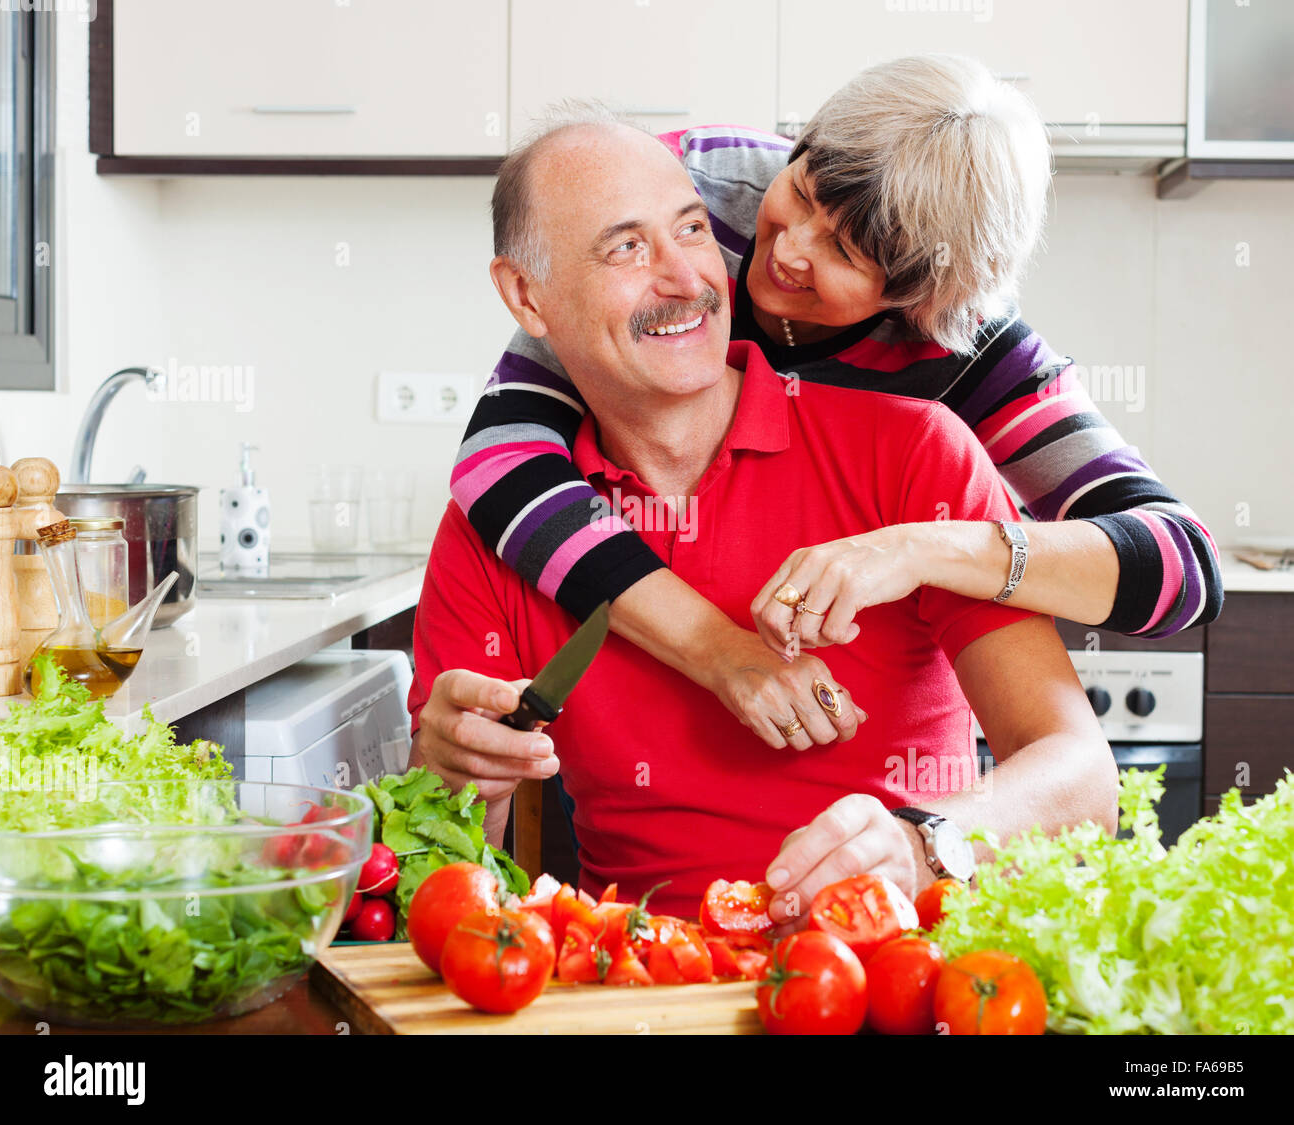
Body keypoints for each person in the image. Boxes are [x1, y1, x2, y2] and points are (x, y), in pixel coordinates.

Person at [408, 112, 1116, 922]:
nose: (687, 278)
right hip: (656, 987)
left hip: (899, 973)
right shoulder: (496, 530)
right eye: (627, 248)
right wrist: (447, 769)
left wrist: (926, 846)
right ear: (527, 295)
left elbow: (1083, 778)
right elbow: (447, 881)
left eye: (692, 229)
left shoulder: (913, 453)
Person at [451, 55, 1223, 751]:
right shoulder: (697, 197)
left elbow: (1181, 567)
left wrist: (922, 548)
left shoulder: (965, 340)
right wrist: (721, 652)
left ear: (919, 297)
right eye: (802, 189)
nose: (788, 250)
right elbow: (498, 460)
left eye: (845, 253)